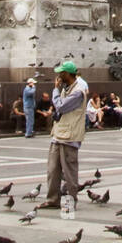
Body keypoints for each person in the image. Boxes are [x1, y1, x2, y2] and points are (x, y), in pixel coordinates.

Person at [37, 61, 88, 211]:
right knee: (52, 170)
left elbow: (61, 106)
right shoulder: (68, 88)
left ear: (68, 74)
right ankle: (53, 199)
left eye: (61, 73)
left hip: (70, 137)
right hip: (58, 134)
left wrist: (55, 90)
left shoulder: (78, 91)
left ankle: (70, 203)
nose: (59, 76)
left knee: (69, 173)